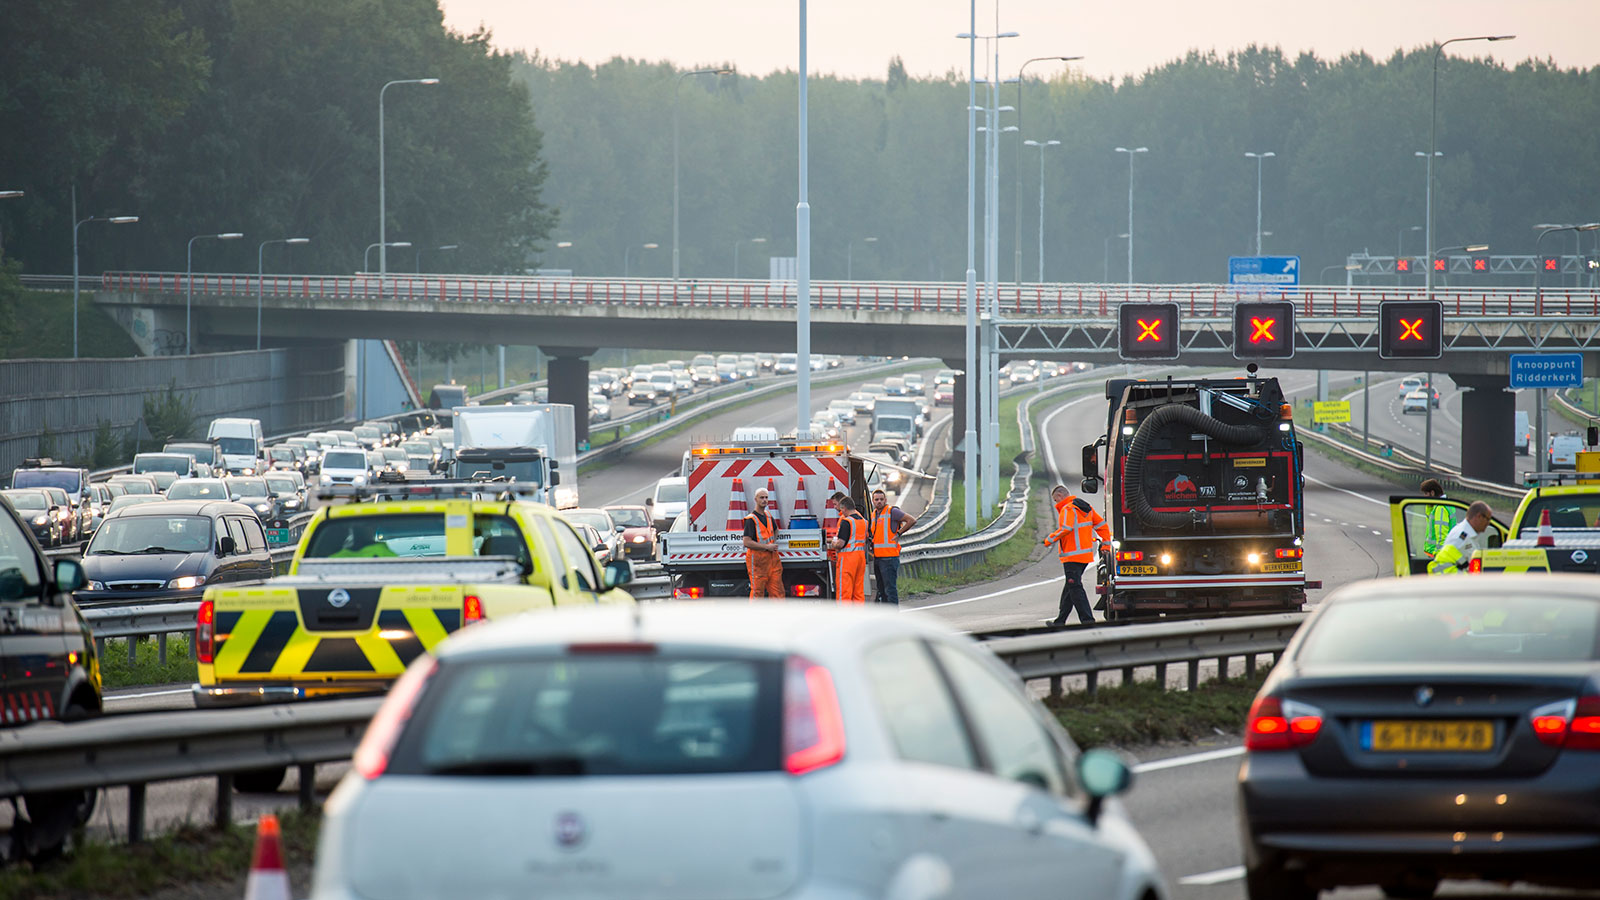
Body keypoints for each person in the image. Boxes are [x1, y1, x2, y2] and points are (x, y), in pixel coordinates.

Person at [1043, 484, 1111, 626]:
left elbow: (1066, 528)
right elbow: (1102, 526)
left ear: (1060, 496)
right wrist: (1105, 543)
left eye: (1056, 500)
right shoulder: (1086, 508)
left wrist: (1049, 539)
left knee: (1075, 588)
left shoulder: (1068, 509)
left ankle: (1087, 621)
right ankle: (1060, 621)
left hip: (1072, 557)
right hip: (1085, 556)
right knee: (1070, 587)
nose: (1057, 503)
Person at [869, 488, 916, 605]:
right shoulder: (873, 515)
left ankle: (894, 616)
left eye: (881, 499)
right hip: (878, 558)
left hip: (889, 558)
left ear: (885, 500)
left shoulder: (892, 512)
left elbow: (911, 520)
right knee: (882, 591)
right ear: (873, 501)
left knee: (890, 591)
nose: (879, 502)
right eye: (876, 500)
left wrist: (899, 533)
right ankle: (886, 617)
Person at [1428, 501, 1495, 575]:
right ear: (1479, 516)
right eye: (1488, 519)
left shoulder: (1469, 535)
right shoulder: (1460, 538)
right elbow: (1441, 568)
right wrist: (1466, 579)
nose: (1488, 523)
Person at [743, 488, 784, 599]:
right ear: (755, 499)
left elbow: (776, 530)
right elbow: (746, 542)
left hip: (772, 560)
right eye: (761, 497)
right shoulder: (751, 519)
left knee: (778, 593)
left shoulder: (768, 516)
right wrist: (767, 546)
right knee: (757, 593)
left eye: (766, 497)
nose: (764, 500)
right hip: (757, 561)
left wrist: (771, 543)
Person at [829, 496, 867, 603]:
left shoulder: (846, 522)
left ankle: (844, 617)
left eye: (841, 510)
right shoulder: (864, 521)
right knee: (858, 592)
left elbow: (840, 543)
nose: (841, 513)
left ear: (844, 508)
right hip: (860, 558)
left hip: (848, 559)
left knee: (844, 591)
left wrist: (833, 543)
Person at [1419, 478, 1455, 558]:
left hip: (1437, 554)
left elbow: (1442, 535)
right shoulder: (1445, 504)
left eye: (1426, 494)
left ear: (1432, 493)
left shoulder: (1440, 508)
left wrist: (1439, 555)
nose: (1424, 497)